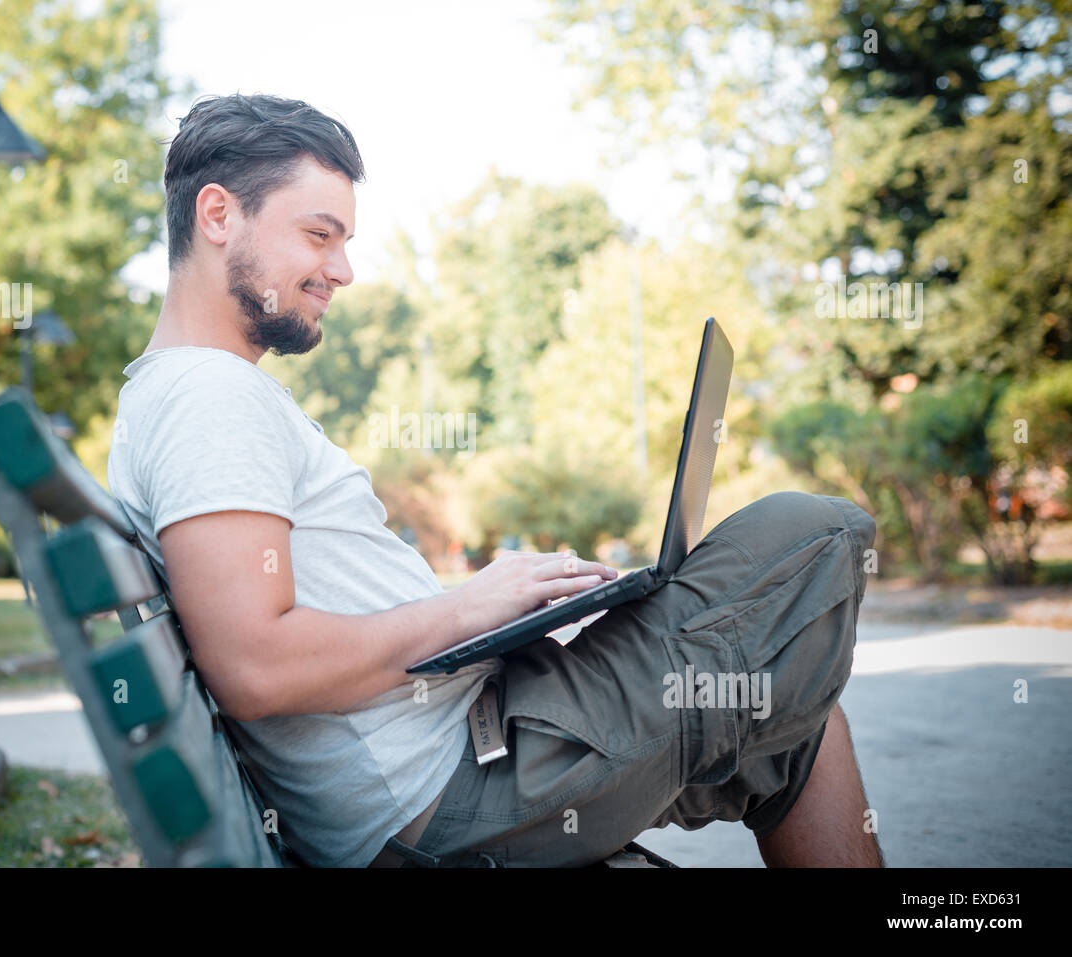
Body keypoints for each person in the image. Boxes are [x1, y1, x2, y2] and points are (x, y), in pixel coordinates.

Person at [106, 92, 885, 868]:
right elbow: (256, 666)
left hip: (475, 747)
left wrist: (487, 618)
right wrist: (466, 608)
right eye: (320, 235)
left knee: (791, 723)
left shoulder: (192, 392)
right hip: (454, 792)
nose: (341, 270)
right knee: (812, 531)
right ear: (217, 215)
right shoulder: (207, 398)